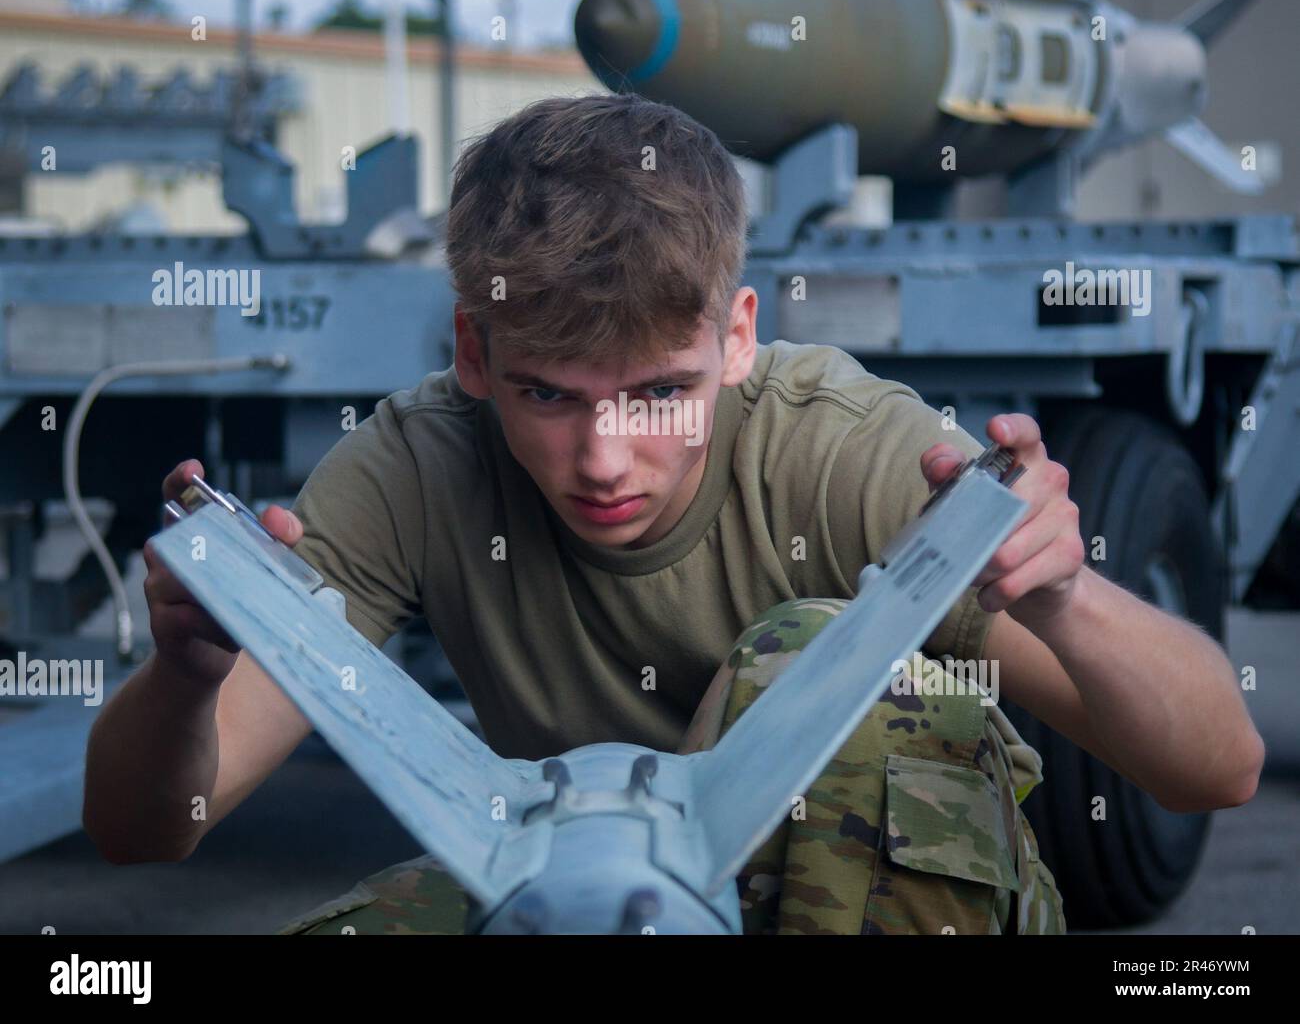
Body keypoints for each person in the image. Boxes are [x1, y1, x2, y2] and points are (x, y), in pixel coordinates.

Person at [84, 93, 1263, 935]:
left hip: (868, 899)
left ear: (738, 335)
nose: (605, 458)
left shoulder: (848, 452)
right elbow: (150, 831)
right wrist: (185, 672)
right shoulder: (415, 464)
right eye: (551, 395)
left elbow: (1216, 763)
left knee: (810, 656)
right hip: (580, 889)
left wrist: (1062, 594)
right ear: (475, 353)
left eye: (658, 393)